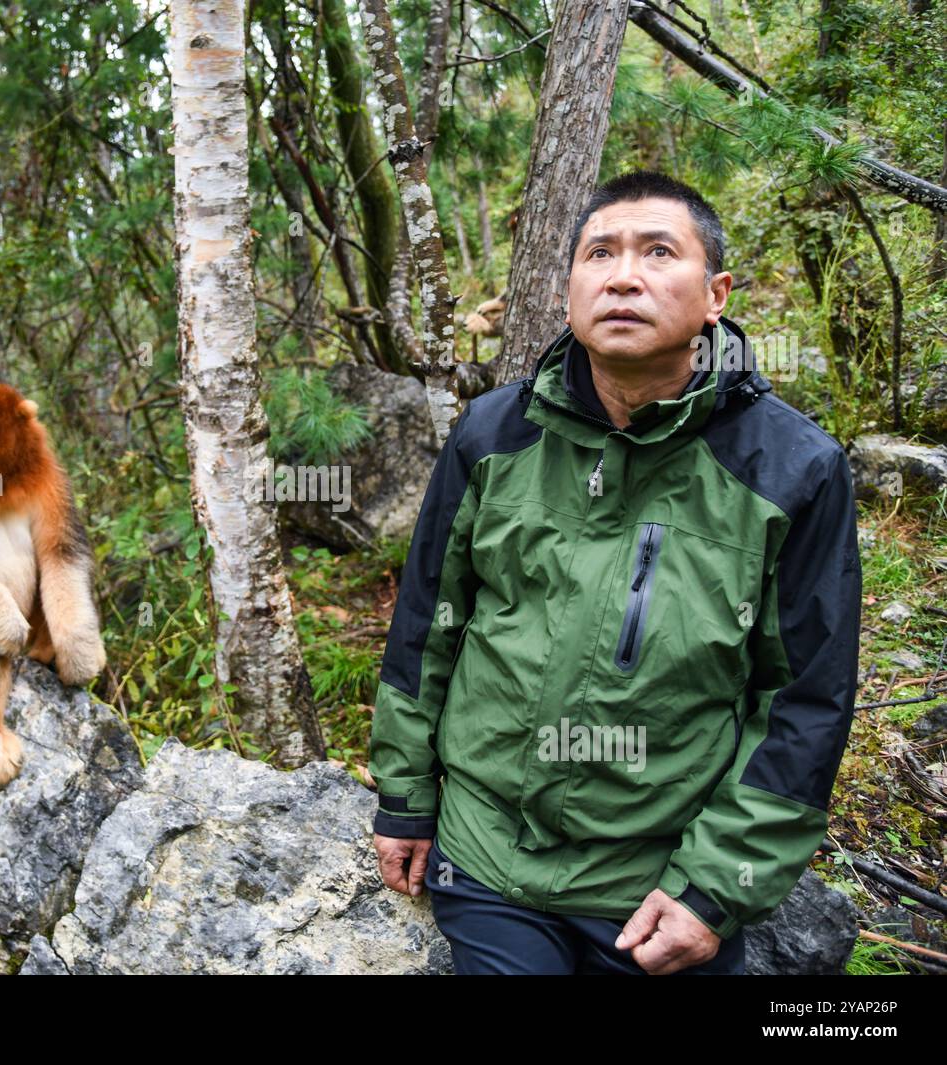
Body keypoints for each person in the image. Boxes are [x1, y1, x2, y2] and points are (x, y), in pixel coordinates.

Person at [368, 170, 862, 975]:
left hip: (658, 882)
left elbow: (804, 700)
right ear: (569, 290)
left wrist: (712, 890)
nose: (624, 275)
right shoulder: (494, 433)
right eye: (600, 252)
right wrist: (405, 795)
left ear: (716, 294)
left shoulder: (792, 470)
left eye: (659, 251)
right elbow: (428, 623)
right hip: (486, 857)